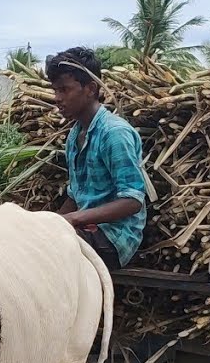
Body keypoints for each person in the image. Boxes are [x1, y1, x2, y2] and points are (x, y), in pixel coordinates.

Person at [46, 46, 147, 270]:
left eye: (64, 90)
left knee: (48, 253)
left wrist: (73, 220)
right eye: (55, 91)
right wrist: (48, 223)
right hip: (86, 228)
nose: (57, 98)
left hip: (115, 237)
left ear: (90, 89)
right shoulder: (75, 135)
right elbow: (75, 195)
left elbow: (132, 201)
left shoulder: (114, 133)